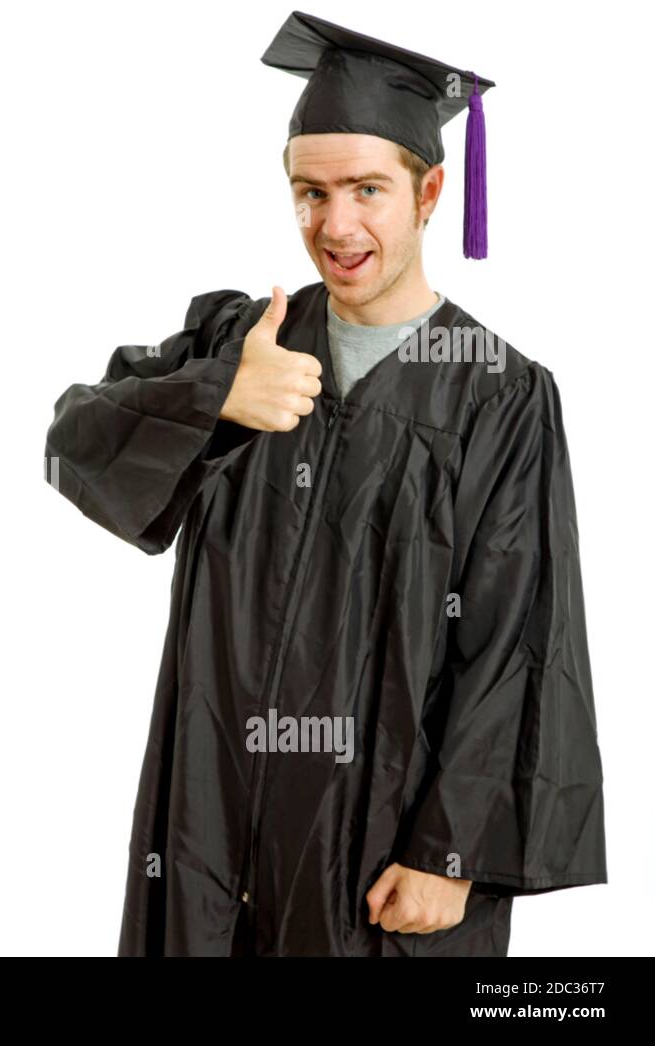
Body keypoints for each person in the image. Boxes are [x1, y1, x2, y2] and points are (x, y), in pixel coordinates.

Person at [44, 11, 605, 956]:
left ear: (430, 191)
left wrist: (452, 852)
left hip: (382, 848)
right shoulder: (243, 339)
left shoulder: (498, 394)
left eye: (366, 190)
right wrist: (217, 397)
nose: (334, 226)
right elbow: (74, 447)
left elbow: (521, 638)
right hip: (212, 821)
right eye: (310, 192)